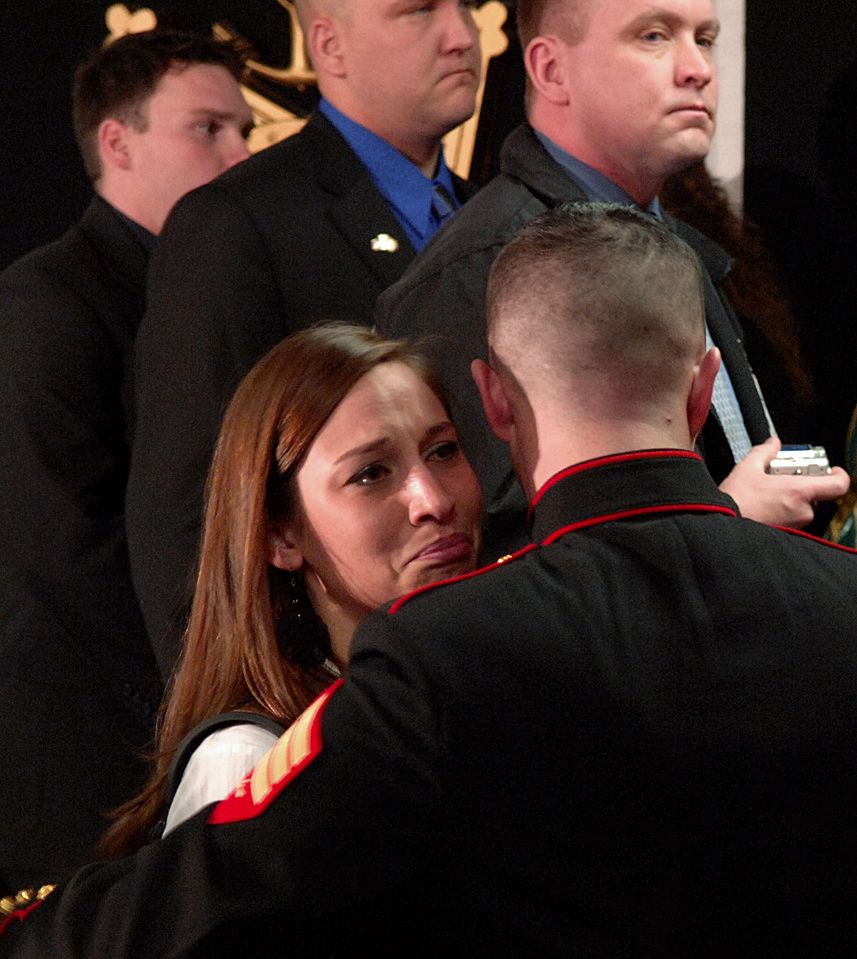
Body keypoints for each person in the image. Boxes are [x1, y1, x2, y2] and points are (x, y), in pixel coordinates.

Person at [10, 205, 855, 959]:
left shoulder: (450, 651)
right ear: (704, 385)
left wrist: (25, 952)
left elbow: (199, 913)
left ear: (494, 404)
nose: (428, 498)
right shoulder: (835, 603)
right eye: (368, 473)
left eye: (443, 448)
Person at [377, 0, 849, 560]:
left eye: (704, 39)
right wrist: (727, 519)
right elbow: (496, 556)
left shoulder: (665, 239)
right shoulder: (481, 267)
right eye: (653, 36)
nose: (697, 68)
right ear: (552, 69)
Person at [127, 0, 483, 677]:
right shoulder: (233, 222)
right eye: (418, 11)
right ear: (329, 44)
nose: (461, 36)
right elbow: (191, 512)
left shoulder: (492, 214)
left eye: (464, 7)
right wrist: (247, 713)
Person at [0, 29, 252, 893]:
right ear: (118, 142)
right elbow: (64, 548)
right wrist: (215, 686)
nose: (240, 155)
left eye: (245, 130)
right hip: (84, 766)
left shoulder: (212, 290)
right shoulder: (43, 302)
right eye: (208, 129)